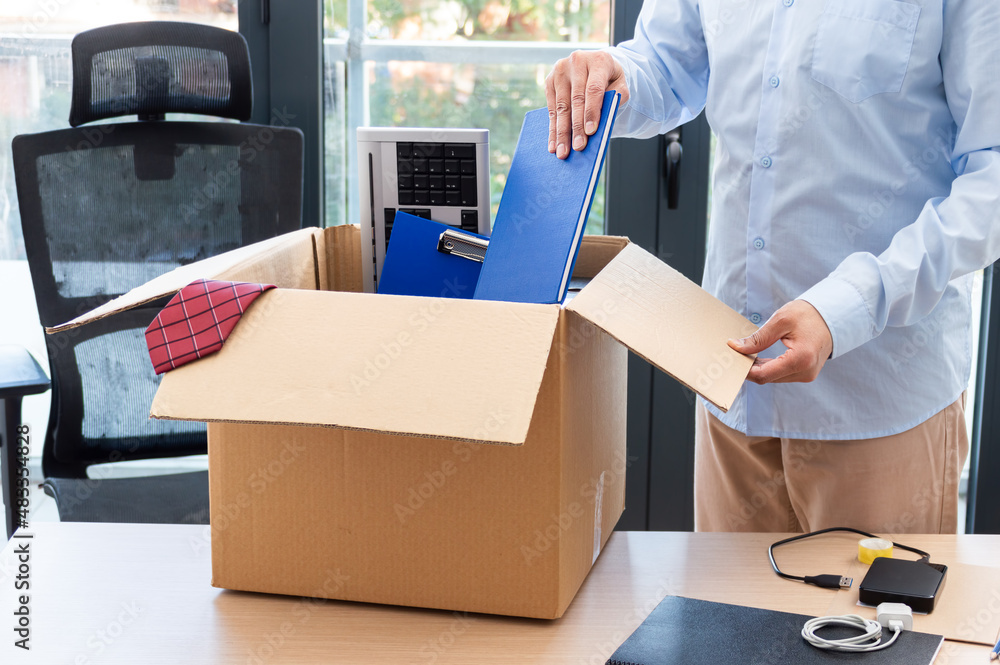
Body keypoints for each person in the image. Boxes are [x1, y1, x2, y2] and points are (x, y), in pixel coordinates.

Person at [546, 0, 1000, 534]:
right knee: (722, 593)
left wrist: (848, 307)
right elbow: (665, 67)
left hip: (879, 402)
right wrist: (613, 74)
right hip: (732, 390)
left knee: (874, 595)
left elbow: (990, 178)